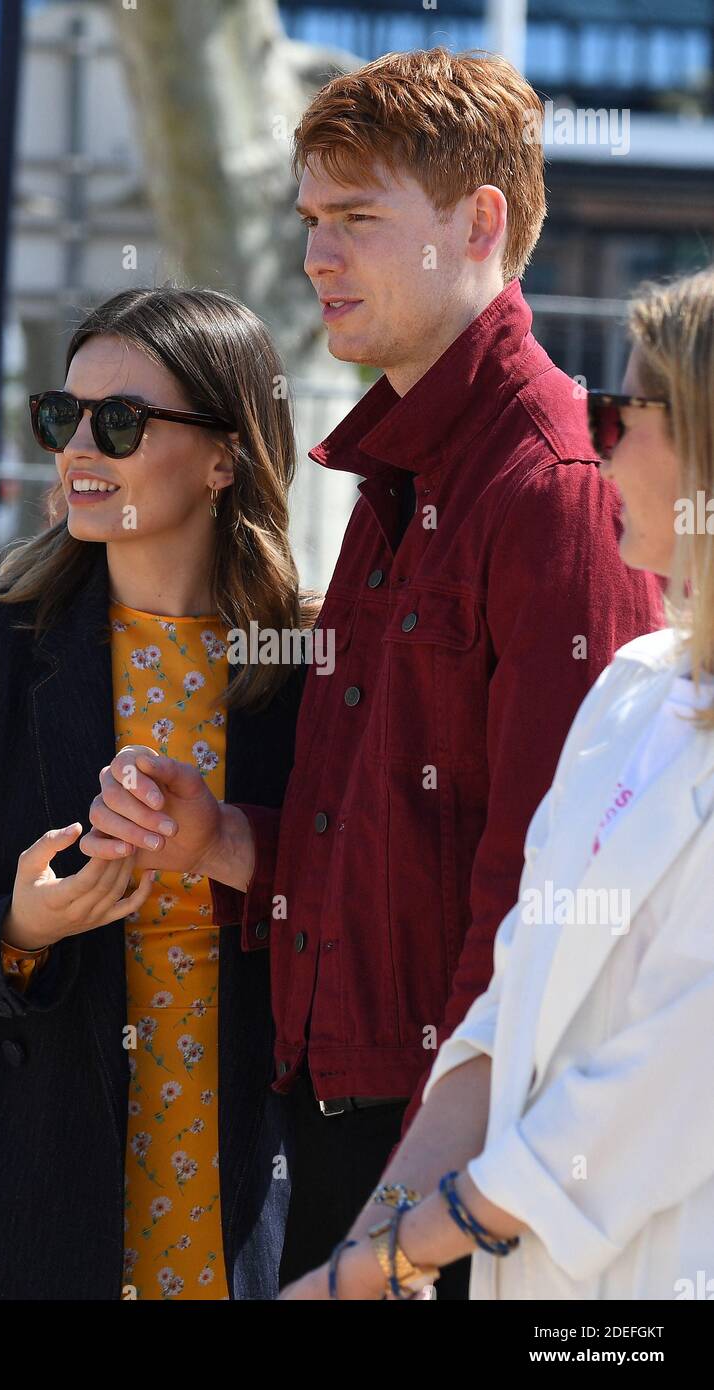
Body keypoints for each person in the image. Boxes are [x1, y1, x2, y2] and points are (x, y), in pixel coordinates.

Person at [83, 48, 665, 1298]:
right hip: (353, 1139)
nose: (315, 258)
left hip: (443, 1177)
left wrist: (405, 1225)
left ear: (480, 221)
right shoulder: (399, 480)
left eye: (355, 218)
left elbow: (542, 896)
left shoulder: (552, 494)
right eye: (307, 220)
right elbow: (399, 846)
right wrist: (228, 840)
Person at [278, 263, 714, 1300]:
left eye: (623, 409)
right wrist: (373, 1247)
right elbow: (499, 1012)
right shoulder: (629, 693)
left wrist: (381, 1262)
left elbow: (644, 1097)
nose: (595, 436)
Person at [0, 286, 313, 1301]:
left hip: (237, 1177)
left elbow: (364, 894)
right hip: (32, 1188)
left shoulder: (306, 660)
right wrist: (20, 927)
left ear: (225, 455)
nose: (80, 445)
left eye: (119, 422)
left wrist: (224, 847)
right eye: (60, 417)